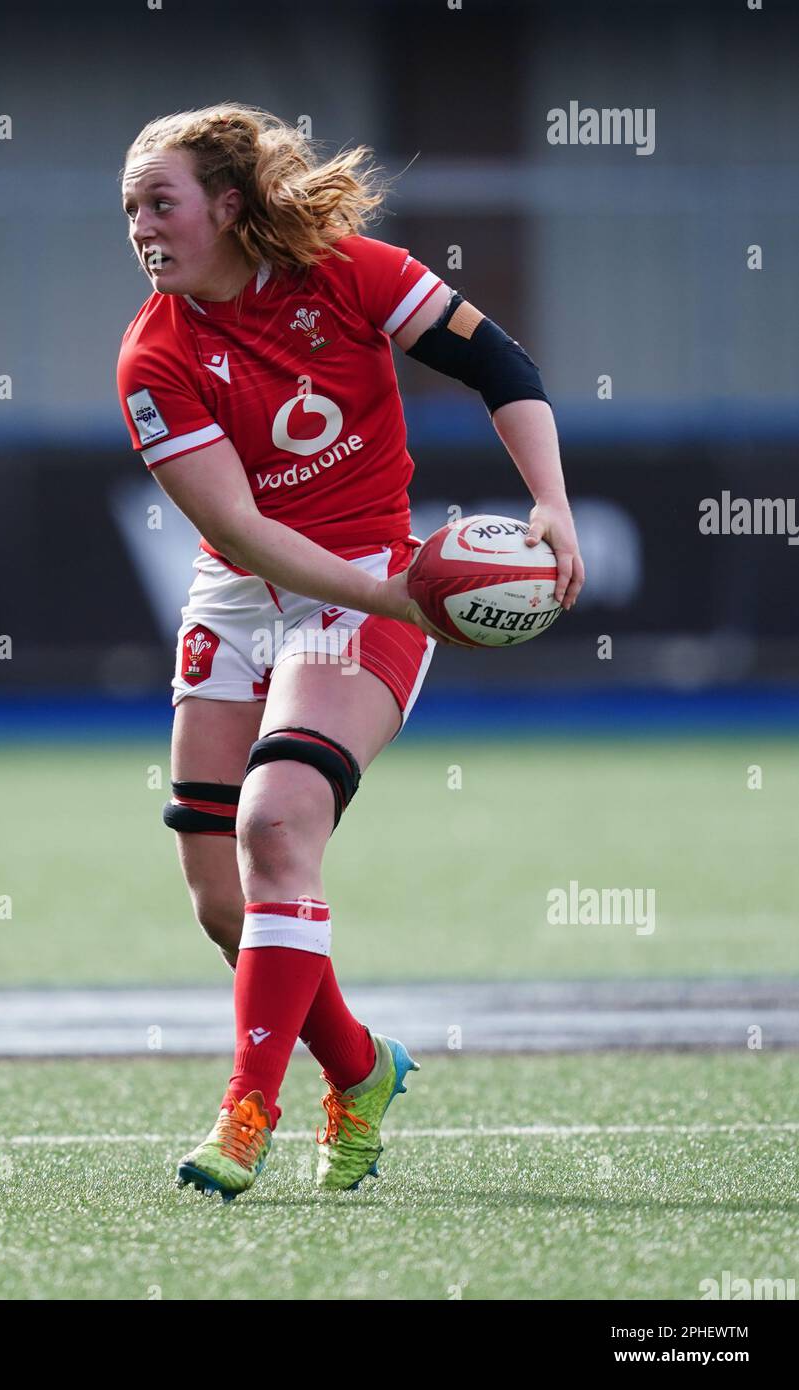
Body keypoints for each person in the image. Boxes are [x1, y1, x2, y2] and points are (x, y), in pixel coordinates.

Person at [116, 104, 584, 1201]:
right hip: (248, 591)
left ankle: (248, 1111)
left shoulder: (349, 273)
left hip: (365, 567)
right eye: (130, 207)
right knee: (221, 903)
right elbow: (240, 534)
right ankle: (362, 1066)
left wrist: (550, 504)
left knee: (276, 823)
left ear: (228, 206)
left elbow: (501, 366)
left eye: (161, 201)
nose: (140, 226)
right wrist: (404, 598)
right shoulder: (152, 354)